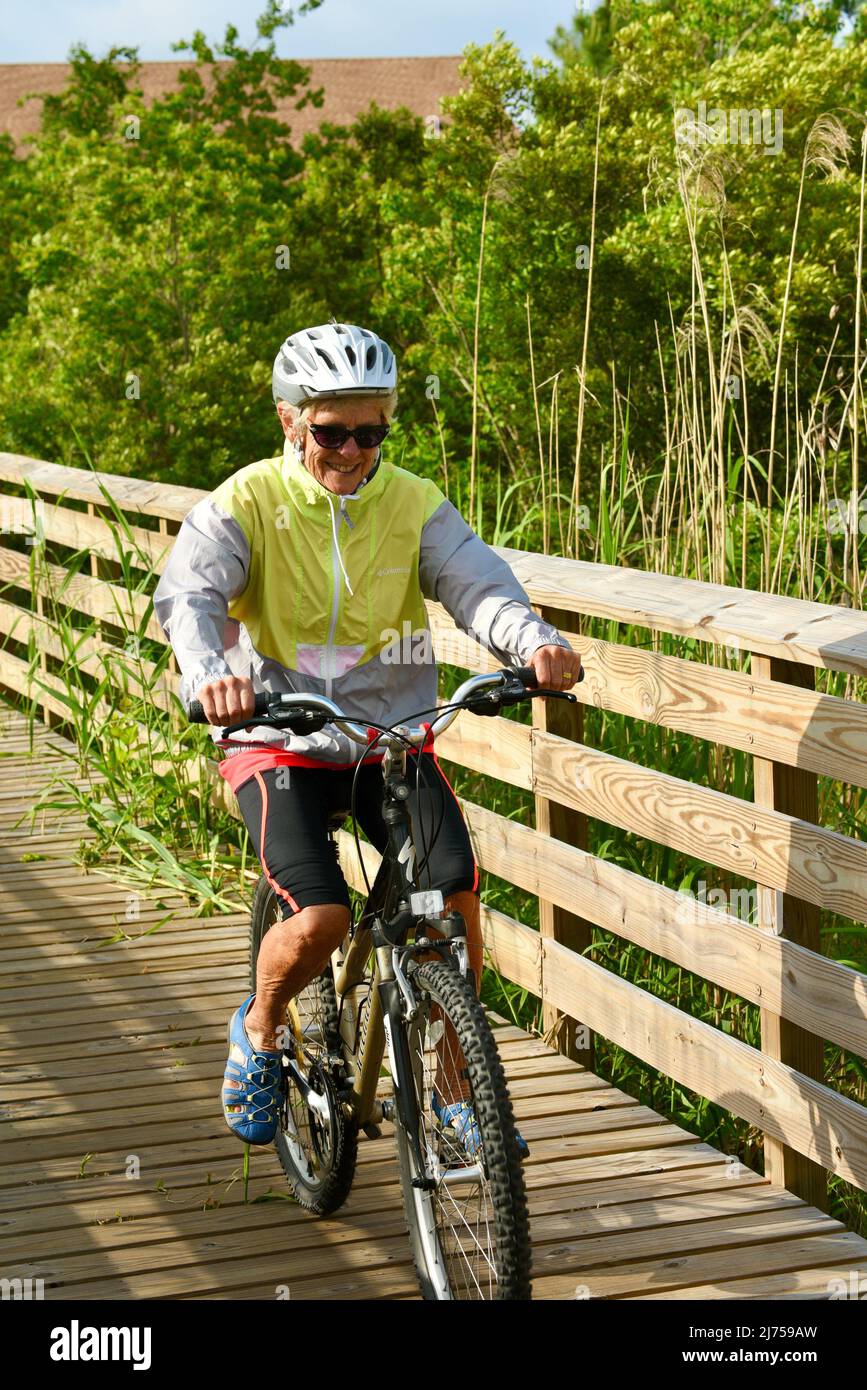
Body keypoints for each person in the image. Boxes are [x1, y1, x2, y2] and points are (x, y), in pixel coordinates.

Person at [153, 320, 581, 1159]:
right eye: (331, 431)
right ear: (288, 421)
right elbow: (190, 599)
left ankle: (459, 1092)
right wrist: (210, 675)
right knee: (319, 917)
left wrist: (530, 643)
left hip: (390, 738)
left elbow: (476, 583)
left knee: (451, 903)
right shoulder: (244, 504)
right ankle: (262, 1024)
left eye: (371, 430)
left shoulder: (412, 502)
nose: (352, 450)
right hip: (278, 736)